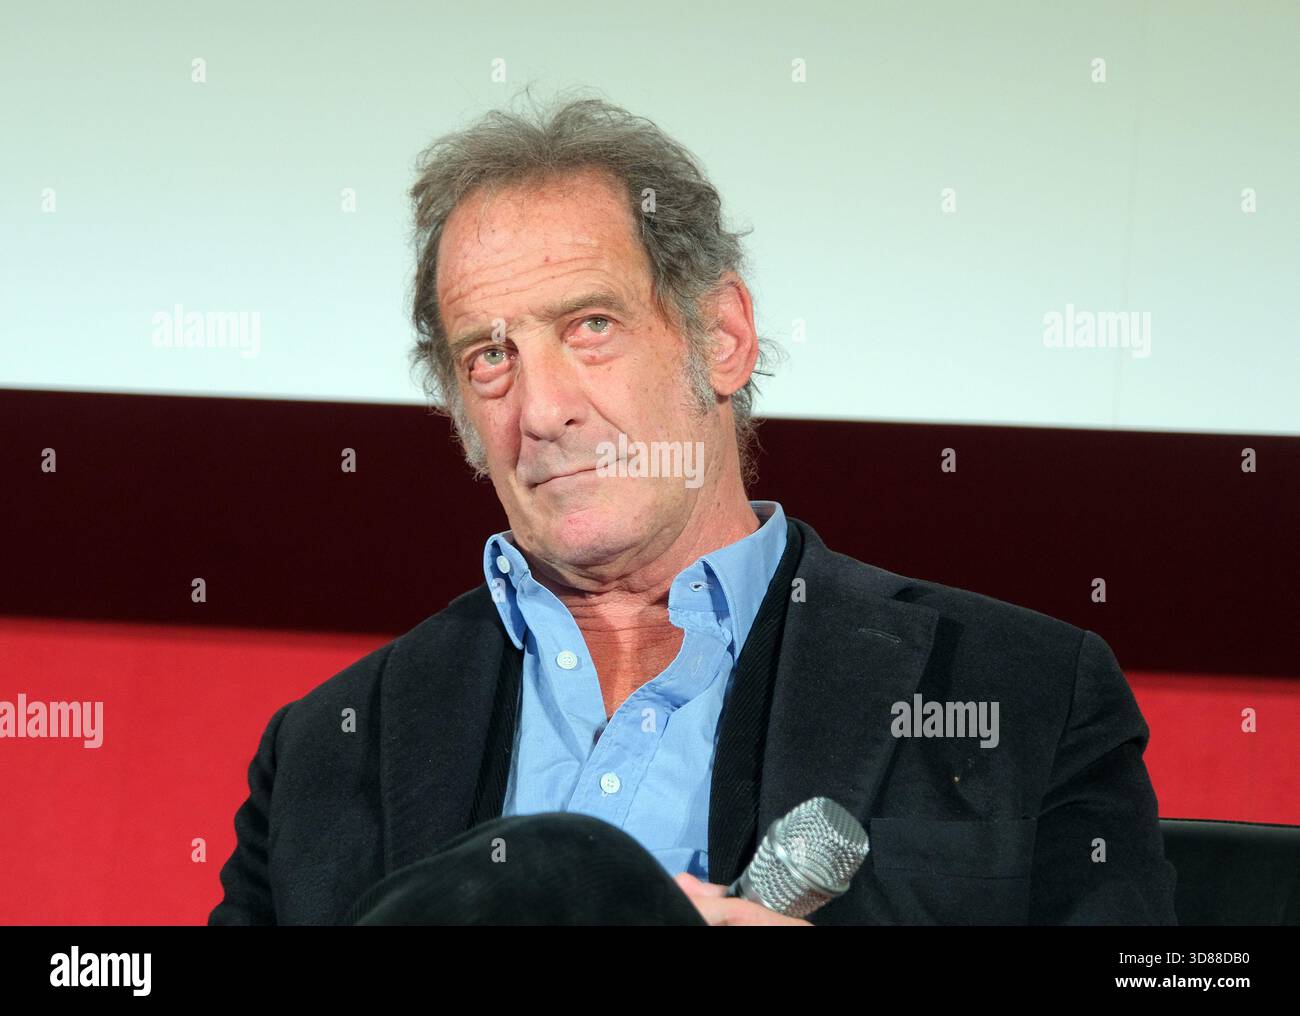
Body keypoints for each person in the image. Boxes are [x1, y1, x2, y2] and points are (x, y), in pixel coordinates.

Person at [209, 94, 1177, 926]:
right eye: (489, 356)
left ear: (719, 337)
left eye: (590, 326)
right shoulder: (326, 749)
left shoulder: (1022, 694)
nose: (542, 410)